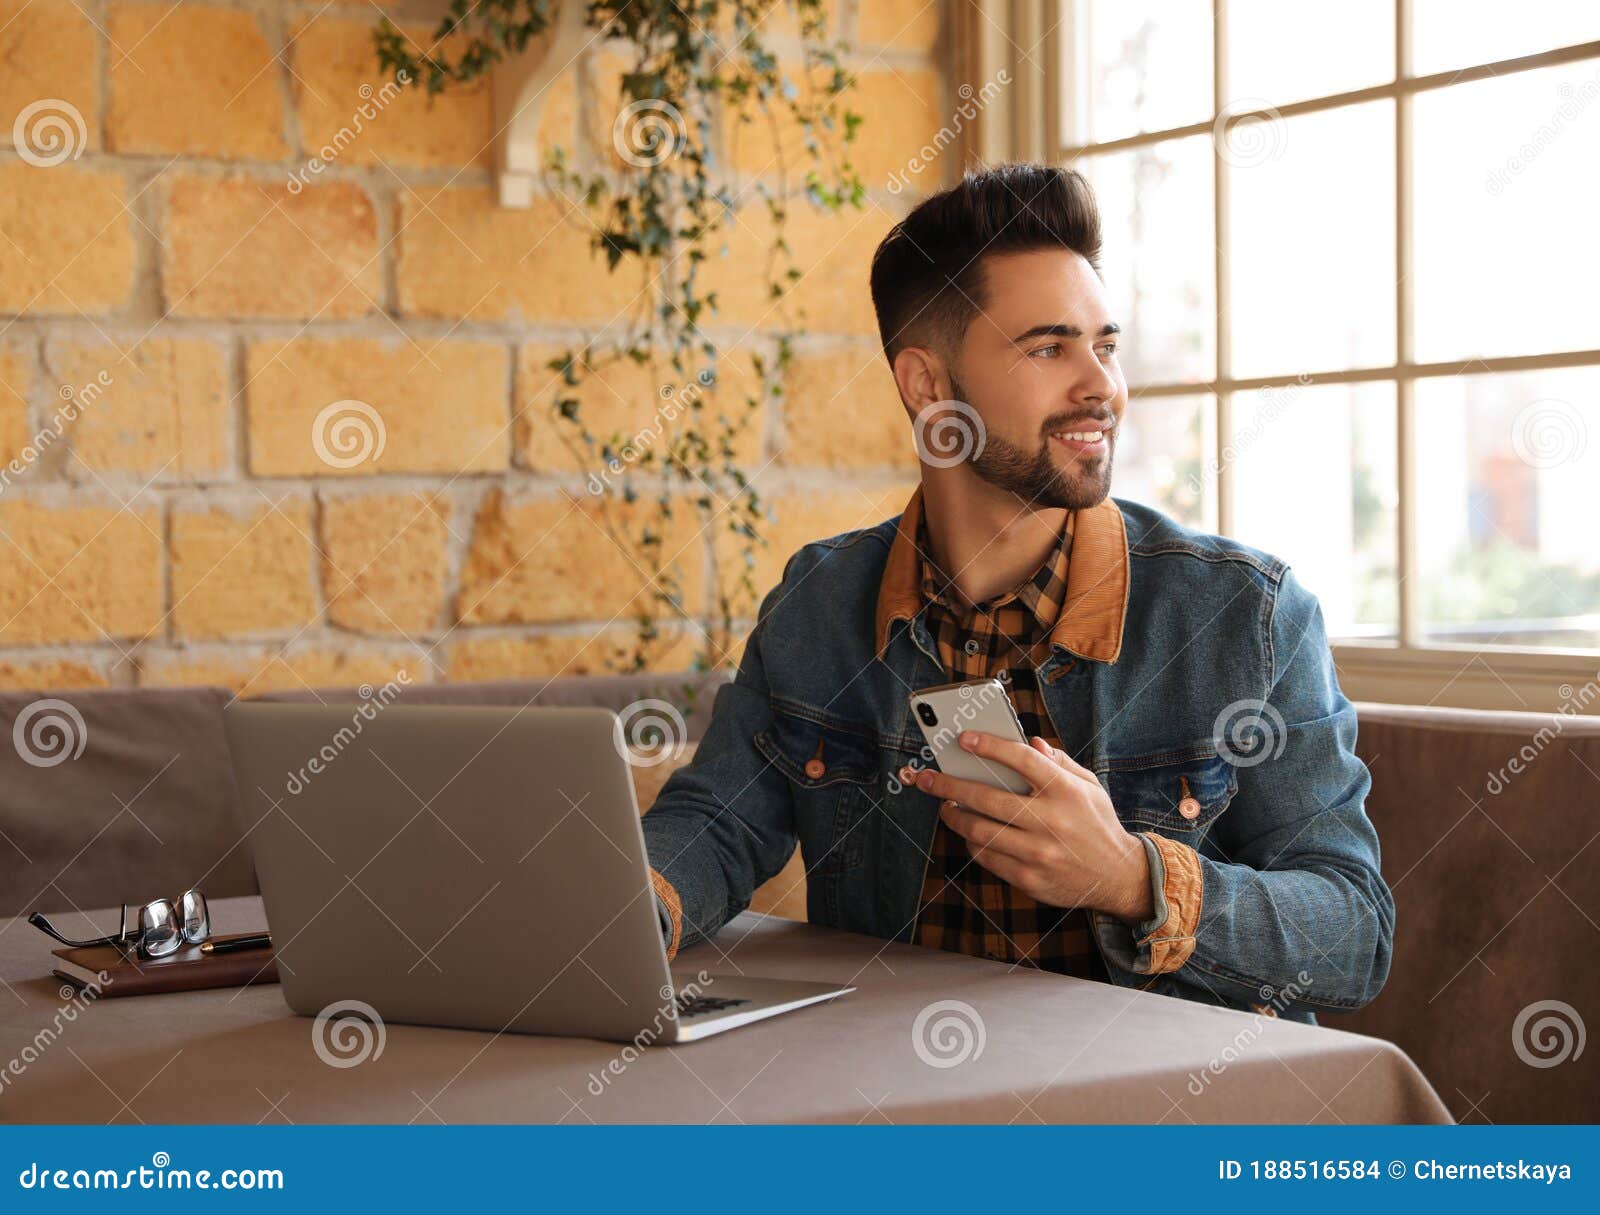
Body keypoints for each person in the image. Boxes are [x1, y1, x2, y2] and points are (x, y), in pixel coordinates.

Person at [640, 162, 1393, 1023]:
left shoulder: (1246, 617)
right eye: (1049, 347)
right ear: (927, 385)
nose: (1101, 385)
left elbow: (1355, 933)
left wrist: (1129, 876)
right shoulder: (820, 602)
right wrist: (633, 906)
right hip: (900, 1111)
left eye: (1104, 344)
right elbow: (721, 821)